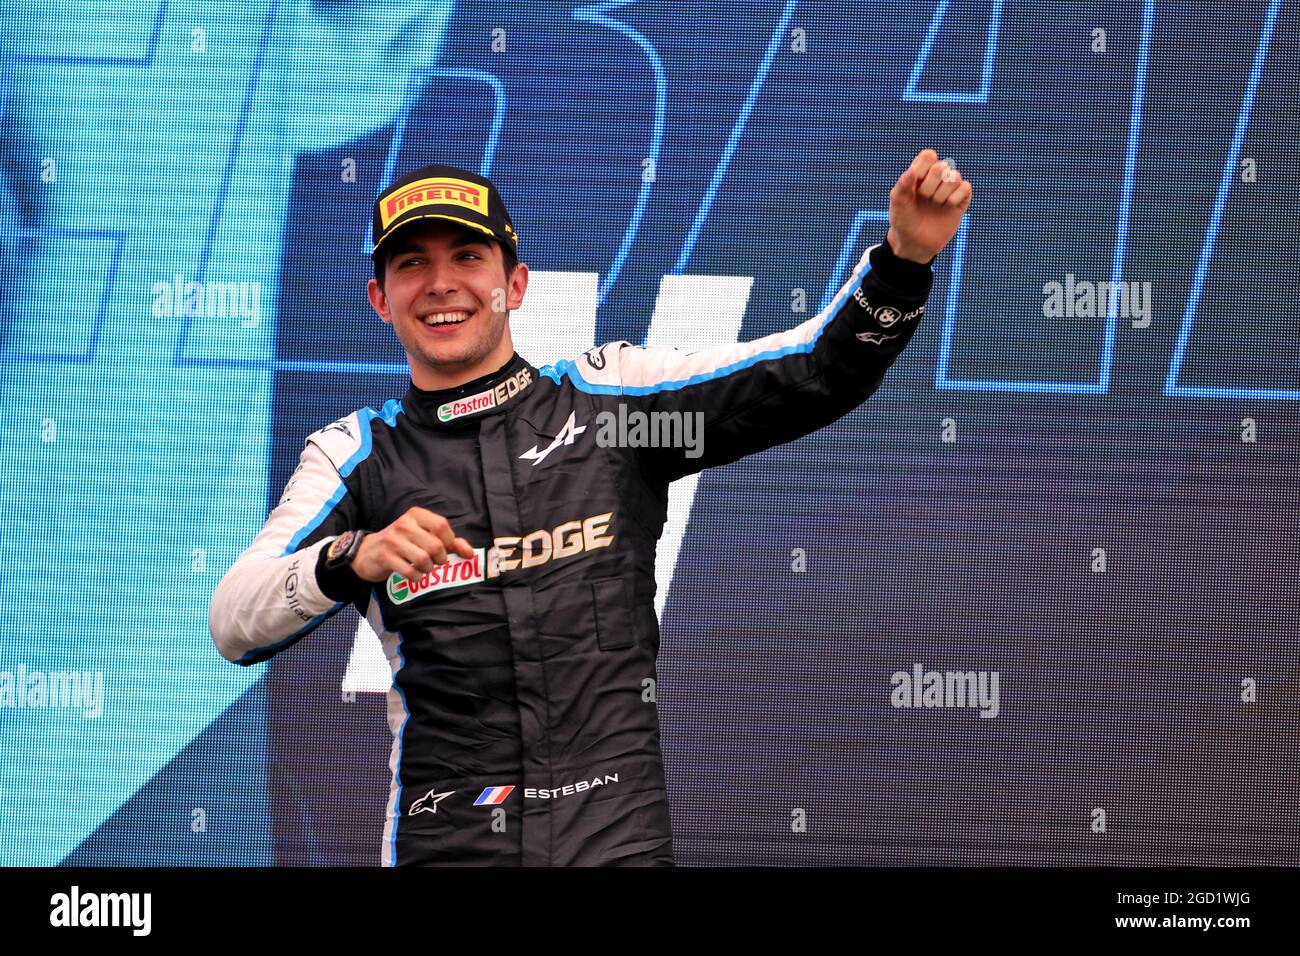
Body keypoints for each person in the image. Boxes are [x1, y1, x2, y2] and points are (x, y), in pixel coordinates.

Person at [209, 151, 973, 866]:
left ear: (515, 285)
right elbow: (233, 623)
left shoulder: (616, 406)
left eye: (468, 258)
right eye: (413, 264)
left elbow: (808, 373)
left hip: (616, 844)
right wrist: (349, 559)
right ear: (381, 299)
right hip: (446, 847)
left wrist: (903, 264)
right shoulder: (353, 458)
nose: (441, 283)